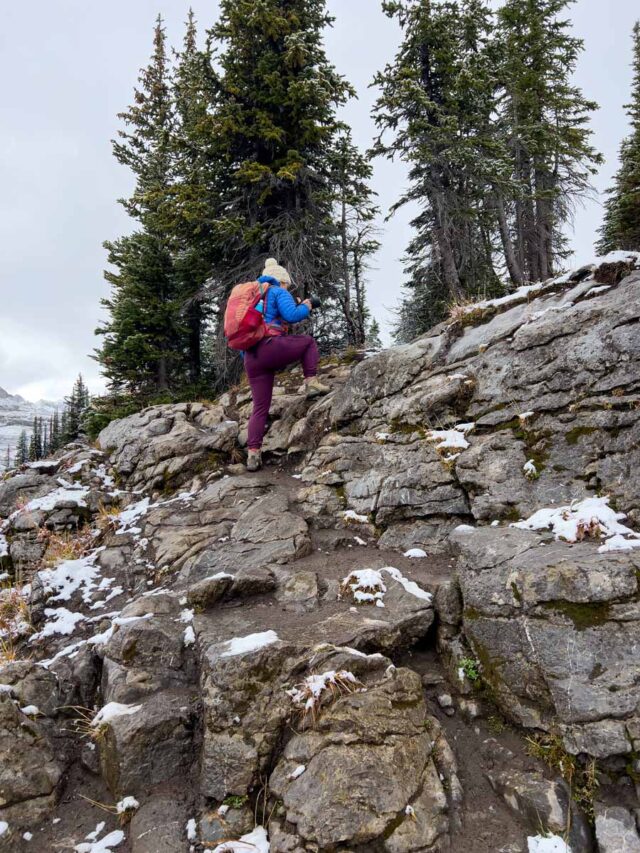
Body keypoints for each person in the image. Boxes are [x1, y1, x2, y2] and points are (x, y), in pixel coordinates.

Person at [244, 258, 330, 471]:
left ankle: (253, 453)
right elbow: (292, 316)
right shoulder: (277, 291)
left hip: (251, 357)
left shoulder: (256, 297)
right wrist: (307, 305)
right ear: (282, 279)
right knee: (308, 342)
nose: (288, 287)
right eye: (288, 284)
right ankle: (311, 383)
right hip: (270, 347)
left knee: (260, 407)